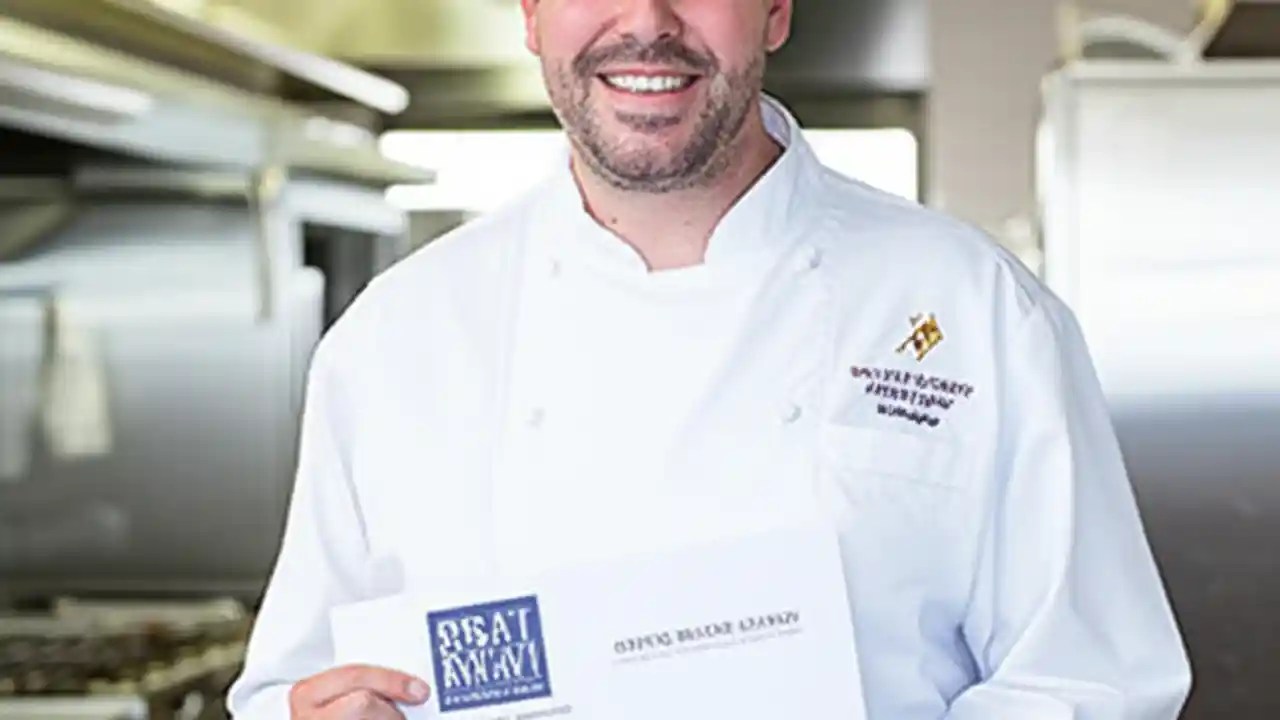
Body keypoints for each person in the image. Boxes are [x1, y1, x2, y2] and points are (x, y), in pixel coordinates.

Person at [228, 1, 1192, 718]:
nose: (647, 23)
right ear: (527, 12)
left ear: (775, 9)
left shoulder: (976, 311)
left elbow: (1092, 682)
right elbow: (286, 689)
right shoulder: (394, 341)